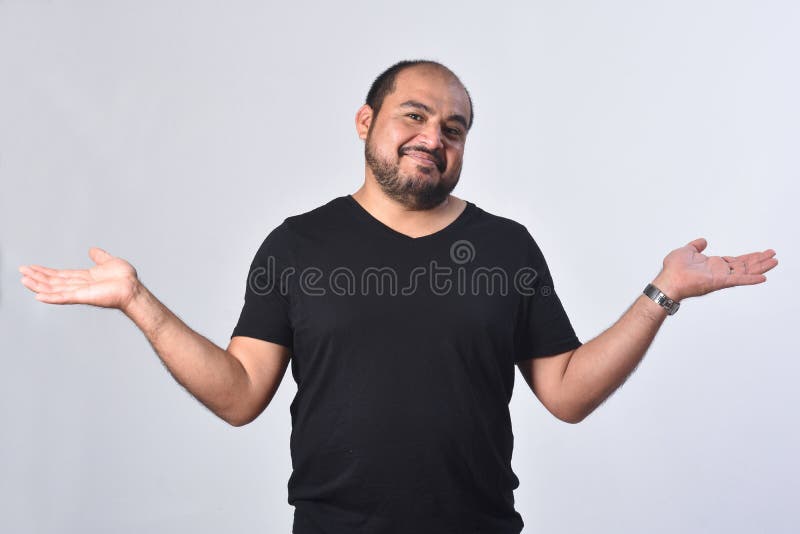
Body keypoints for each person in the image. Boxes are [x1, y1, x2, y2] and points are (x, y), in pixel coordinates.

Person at [19, 60, 778, 534]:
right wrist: (139, 301)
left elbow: (567, 393)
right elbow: (241, 392)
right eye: (414, 115)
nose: (433, 137)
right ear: (366, 122)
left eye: (454, 127)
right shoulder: (296, 245)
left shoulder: (507, 247)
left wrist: (662, 293)